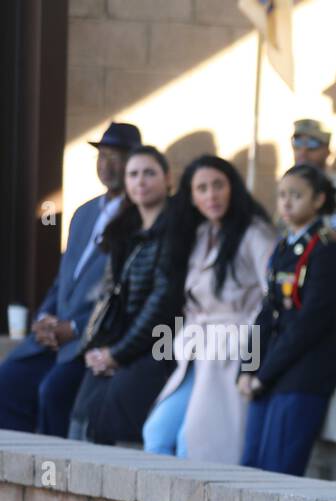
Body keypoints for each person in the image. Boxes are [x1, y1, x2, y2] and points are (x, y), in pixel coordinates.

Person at [0, 122, 138, 436]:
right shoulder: (84, 212)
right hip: (52, 336)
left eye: (116, 156)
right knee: (7, 381)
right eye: (102, 156)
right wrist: (44, 318)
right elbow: (63, 278)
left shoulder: (136, 220)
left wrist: (74, 328)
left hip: (88, 341)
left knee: (52, 393)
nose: (107, 164)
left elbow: (121, 294)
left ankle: (51, 479)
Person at [140, 156, 276, 463]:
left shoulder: (255, 233)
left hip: (233, 349)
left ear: (233, 188)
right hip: (195, 349)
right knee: (157, 434)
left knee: (196, 443)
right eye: (201, 188)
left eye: (218, 185)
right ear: (191, 196)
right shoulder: (200, 235)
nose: (211, 195)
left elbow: (274, 296)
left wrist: (250, 344)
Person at [237, 164, 336, 475]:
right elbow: (267, 312)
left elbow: (309, 323)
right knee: (250, 466)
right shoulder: (284, 245)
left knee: (277, 471)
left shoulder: (325, 248)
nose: (286, 203)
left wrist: (264, 373)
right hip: (273, 370)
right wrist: (247, 367)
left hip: (304, 372)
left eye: (296, 195)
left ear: (318, 199)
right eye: (282, 195)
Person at [68, 145, 181, 446]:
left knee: (115, 415)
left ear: (168, 179)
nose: (140, 181)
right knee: (81, 411)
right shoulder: (124, 230)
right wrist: (99, 347)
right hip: (120, 341)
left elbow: (162, 303)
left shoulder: (177, 229)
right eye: (133, 174)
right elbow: (108, 298)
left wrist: (118, 353)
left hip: (160, 343)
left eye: (149, 173)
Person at [291, 118, 336, 212]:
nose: (303, 151)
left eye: (312, 144)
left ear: (328, 151)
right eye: (297, 142)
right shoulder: (289, 186)